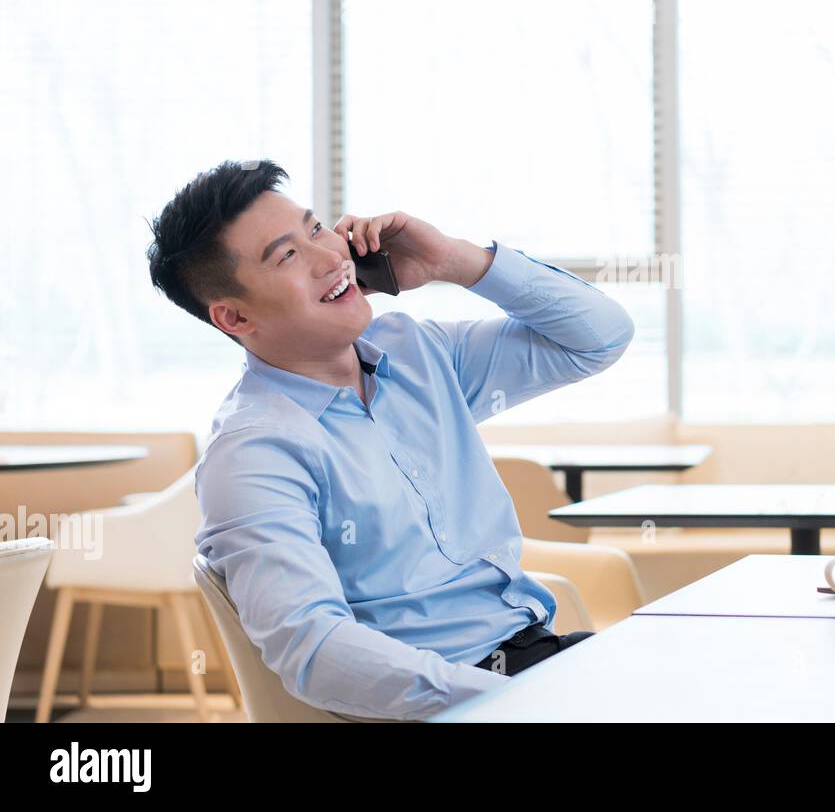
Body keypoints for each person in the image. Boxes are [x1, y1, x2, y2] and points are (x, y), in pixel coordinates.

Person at [146, 160, 634, 720]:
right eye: (287, 256)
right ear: (234, 316)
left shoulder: (413, 353)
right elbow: (313, 648)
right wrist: (514, 706)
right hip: (449, 704)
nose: (331, 258)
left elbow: (599, 338)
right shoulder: (255, 453)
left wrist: (457, 260)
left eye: (315, 230)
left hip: (535, 660)